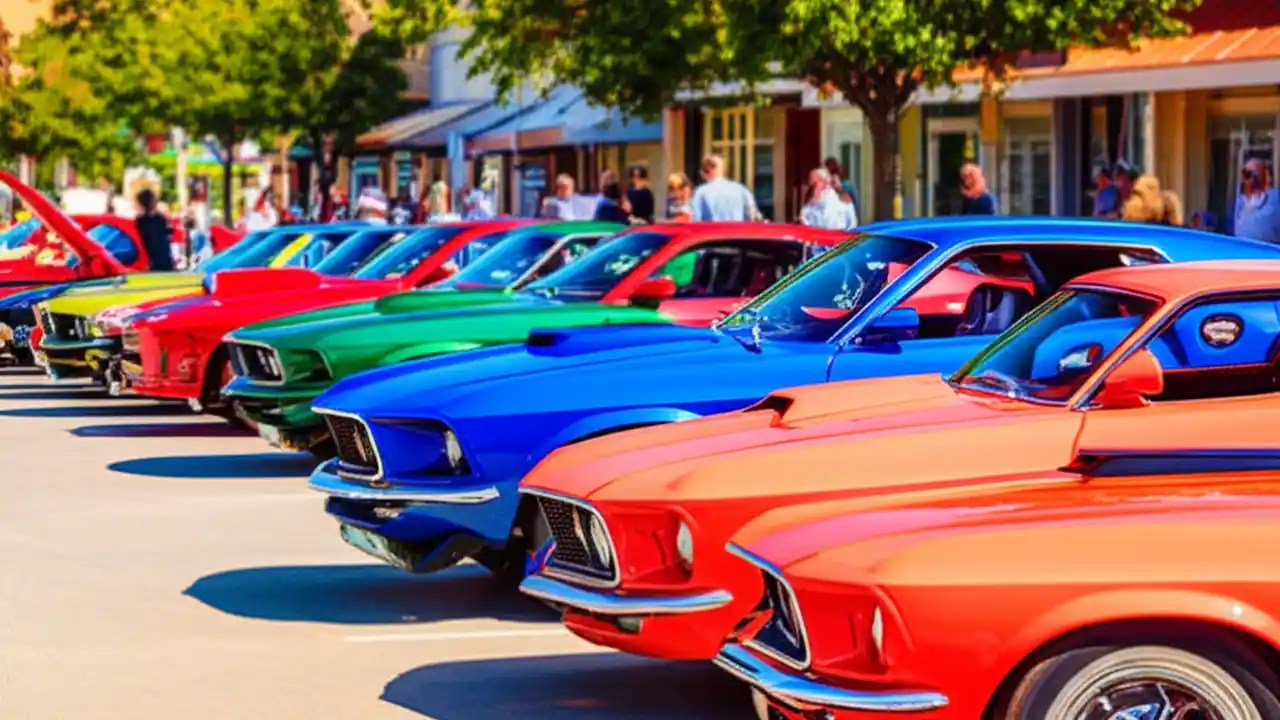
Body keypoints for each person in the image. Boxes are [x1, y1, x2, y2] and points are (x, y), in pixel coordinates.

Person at [691, 153, 760, 222]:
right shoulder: (741, 189)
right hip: (738, 231)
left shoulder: (701, 193)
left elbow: (695, 220)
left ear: (705, 171)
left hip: (712, 232)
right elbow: (754, 217)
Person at [1234, 158, 1280, 244]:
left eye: (1256, 173)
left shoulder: (1274, 200)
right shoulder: (1239, 204)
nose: (1252, 178)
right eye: (1246, 174)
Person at [134, 188, 174, 271]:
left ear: (139, 203)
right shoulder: (162, 219)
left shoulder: (139, 222)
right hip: (166, 264)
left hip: (150, 266)